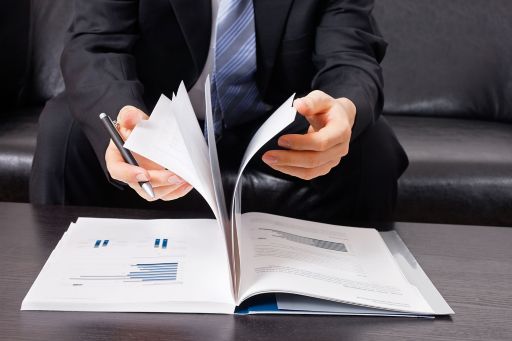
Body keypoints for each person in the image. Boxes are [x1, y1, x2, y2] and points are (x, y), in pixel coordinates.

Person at [30, 0, 408, 224]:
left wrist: (343, 108)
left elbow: (351, 53)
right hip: (158, 116)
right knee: (64, 133)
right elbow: (95, 44)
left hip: (274, 121)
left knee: (370, 145)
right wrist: (125, 119)